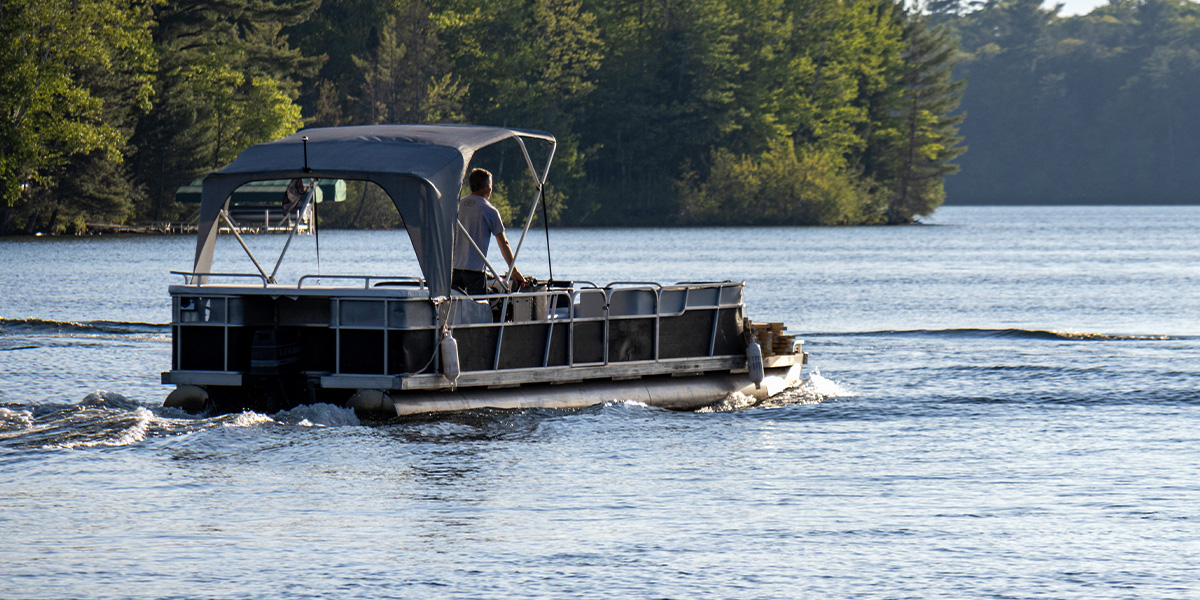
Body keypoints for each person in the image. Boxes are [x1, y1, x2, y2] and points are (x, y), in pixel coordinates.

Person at [452, 168, 525, 295]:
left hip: (454, 270)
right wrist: (513, 270)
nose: (491, 189)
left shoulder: (457, 205)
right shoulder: (489, 210)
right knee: (478, 311)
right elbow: (503, 243)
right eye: (491, 186)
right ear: (486, 187)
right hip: (474, 272)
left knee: (454, 310)